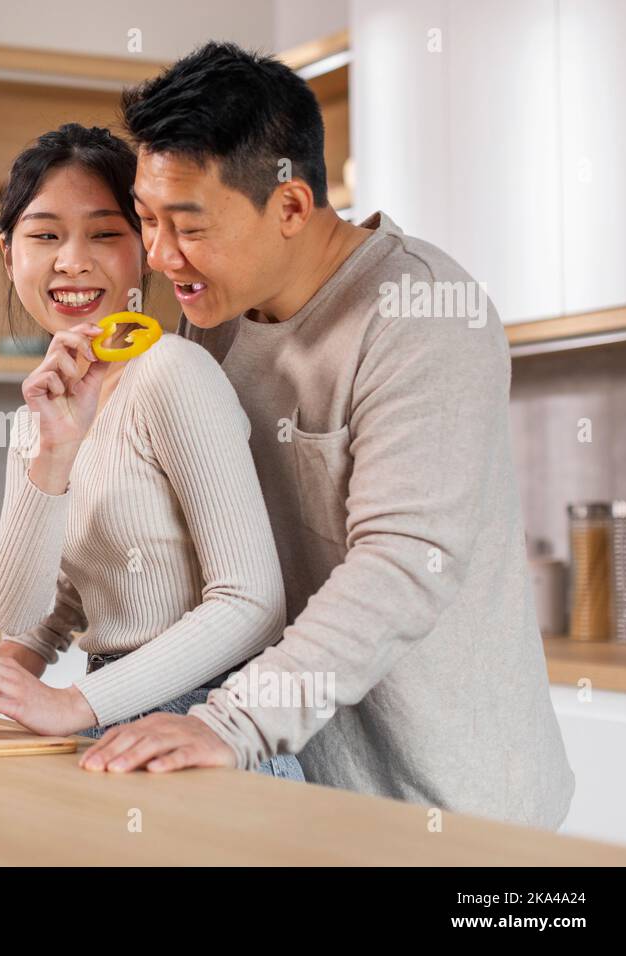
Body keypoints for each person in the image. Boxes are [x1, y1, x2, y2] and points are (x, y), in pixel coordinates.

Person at [75, 42, 573, 829]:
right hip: (307, 786)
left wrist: (230, 722)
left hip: (453, 809)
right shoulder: (214, 318)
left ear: (291, 206)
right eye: (147, 219)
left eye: (189, 226)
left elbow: (402, 564)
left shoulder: (421, 316)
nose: (160, 257)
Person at [0, 122, 302, 780]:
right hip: (115, 725)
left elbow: (252, 602)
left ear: (145, 251)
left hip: (206, 727)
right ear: (9, 255)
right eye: (45, 236)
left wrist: (73, 702)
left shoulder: (172, 372)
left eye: (104, 234)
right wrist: (1, 671)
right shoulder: (44, 412)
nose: (73, 261)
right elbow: (23, 614)